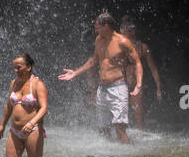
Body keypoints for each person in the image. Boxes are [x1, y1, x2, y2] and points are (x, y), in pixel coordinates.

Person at [59, 12, 142, 144]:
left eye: (98, 27)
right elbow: (94, 60)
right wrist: (76, 72)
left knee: (119, 129)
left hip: (118, 88)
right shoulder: (99, 39)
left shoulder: (122, 42)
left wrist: (138, 84)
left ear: (106, 26)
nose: (95, 30)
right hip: (102, 89)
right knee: (103, 129)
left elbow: (137, 62)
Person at [0, 51, 47, 157]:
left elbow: (44, 108)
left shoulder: (38, 84)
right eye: (14, 68)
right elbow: (9, 105)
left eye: (18, 67)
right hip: (14, 131)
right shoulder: (14, 83)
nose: (16, 70)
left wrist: (32, 123)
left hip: (32, 130)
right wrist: (2, 125)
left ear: (28, 67)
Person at [120, 17, 163, 127]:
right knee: (118, 118)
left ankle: (139, 139)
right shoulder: (119, 46)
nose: (122, 34)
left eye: (124, 31)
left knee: (139, 118)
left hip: (136, 87)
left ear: (132, 31)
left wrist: (158, 88)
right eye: (121, 31)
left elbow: (153, 68)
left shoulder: (143, 48)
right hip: (120, 86)